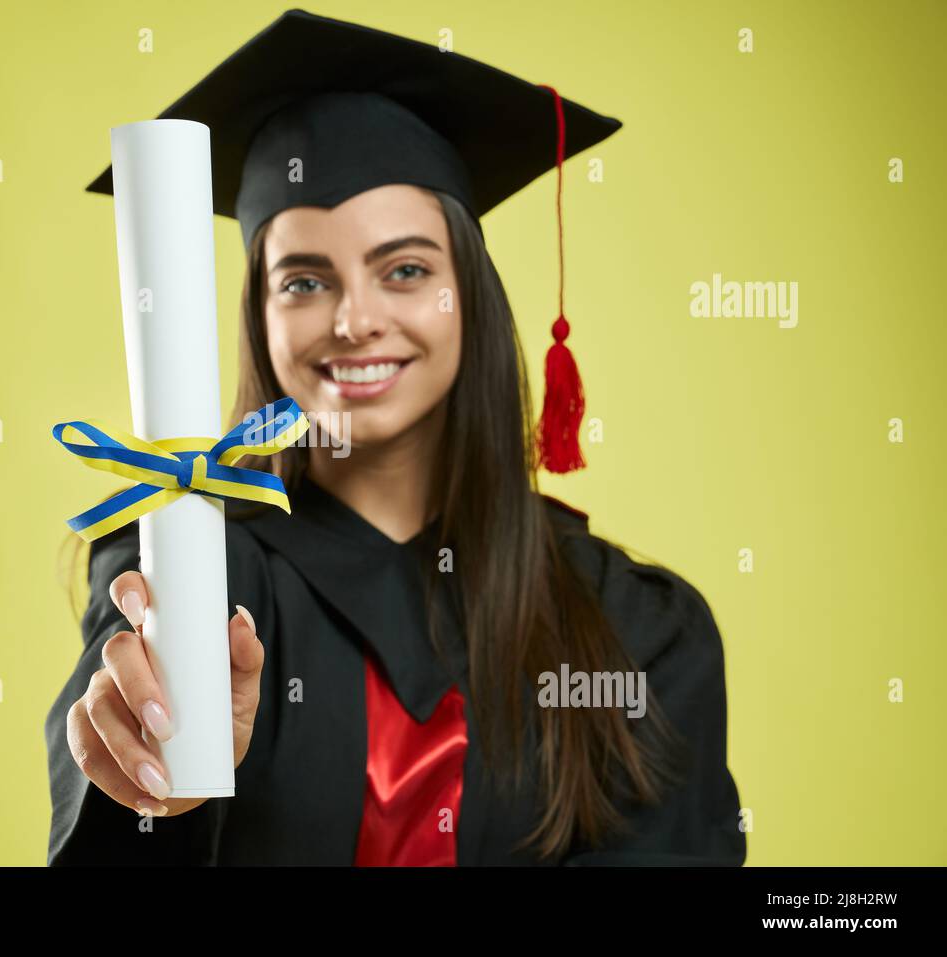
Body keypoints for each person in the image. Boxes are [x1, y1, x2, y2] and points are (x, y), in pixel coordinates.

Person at [45, 9, 746, 865]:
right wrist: (155, 794)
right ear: (258, 318)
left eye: (404, 269)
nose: (354, 320)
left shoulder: (630, 623)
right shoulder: (193, 579)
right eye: (304, 280)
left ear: (469, 294)